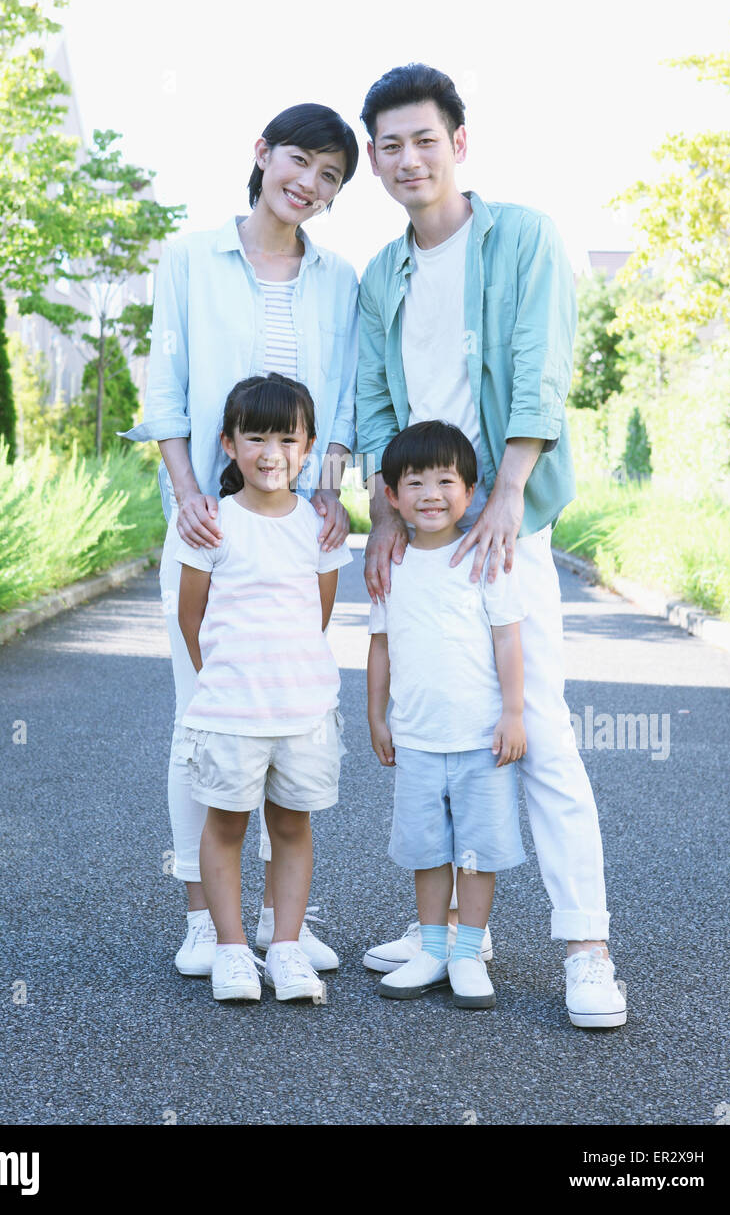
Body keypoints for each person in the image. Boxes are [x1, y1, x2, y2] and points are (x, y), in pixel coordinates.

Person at [356, 63, 627, 1028]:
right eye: (388, 145)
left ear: (458, 142)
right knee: (432, 728)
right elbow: (376, 400)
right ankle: (444, 937)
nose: (407, 158)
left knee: (535, 728)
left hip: (501, 520)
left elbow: (537, 366)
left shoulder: (523, 237)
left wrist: (508, 490)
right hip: (419, 527)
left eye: (424, 138)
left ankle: (587, 945)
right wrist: (384, 515)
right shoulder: (382, 273)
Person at [118, 104, 359, 978]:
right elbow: (166, 391)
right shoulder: (188, 259)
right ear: (262, 156)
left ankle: (279, 925)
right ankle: (199, 916)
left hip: (295, 524)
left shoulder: (340, 281)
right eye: (300, 161)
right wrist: (186, 494)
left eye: (330, 176)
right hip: (210, 522)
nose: (309, 183)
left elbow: (351, 401)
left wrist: (330, 493)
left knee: (286, 707)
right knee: (207, 719)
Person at [173, 375, 352, 1002]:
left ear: (307, 449)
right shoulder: (212, 523)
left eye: (287, 438)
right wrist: (228, 676)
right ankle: (229, 950)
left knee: (293, 827)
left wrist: (285, 672)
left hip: (303, 713)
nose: (270, 452)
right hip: (231, 712)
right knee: (226, 827)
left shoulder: (320, 528)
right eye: (255, 437)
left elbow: (318, 617)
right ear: (228, 444)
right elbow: (189, 618)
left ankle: (285, 947)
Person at [367, 421, 527, 1007]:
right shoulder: (392, 564)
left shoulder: (482, 557)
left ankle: (468, 953)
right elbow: (379, 646)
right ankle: (433, 949)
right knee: (427, 847)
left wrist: (513, 713)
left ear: (471, 490)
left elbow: (508, 640)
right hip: (416, 737)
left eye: (445, 480)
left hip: (480, 738)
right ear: (391, 495)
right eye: (415, 482)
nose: (430, 493)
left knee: (477, 849)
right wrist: (376, 716)